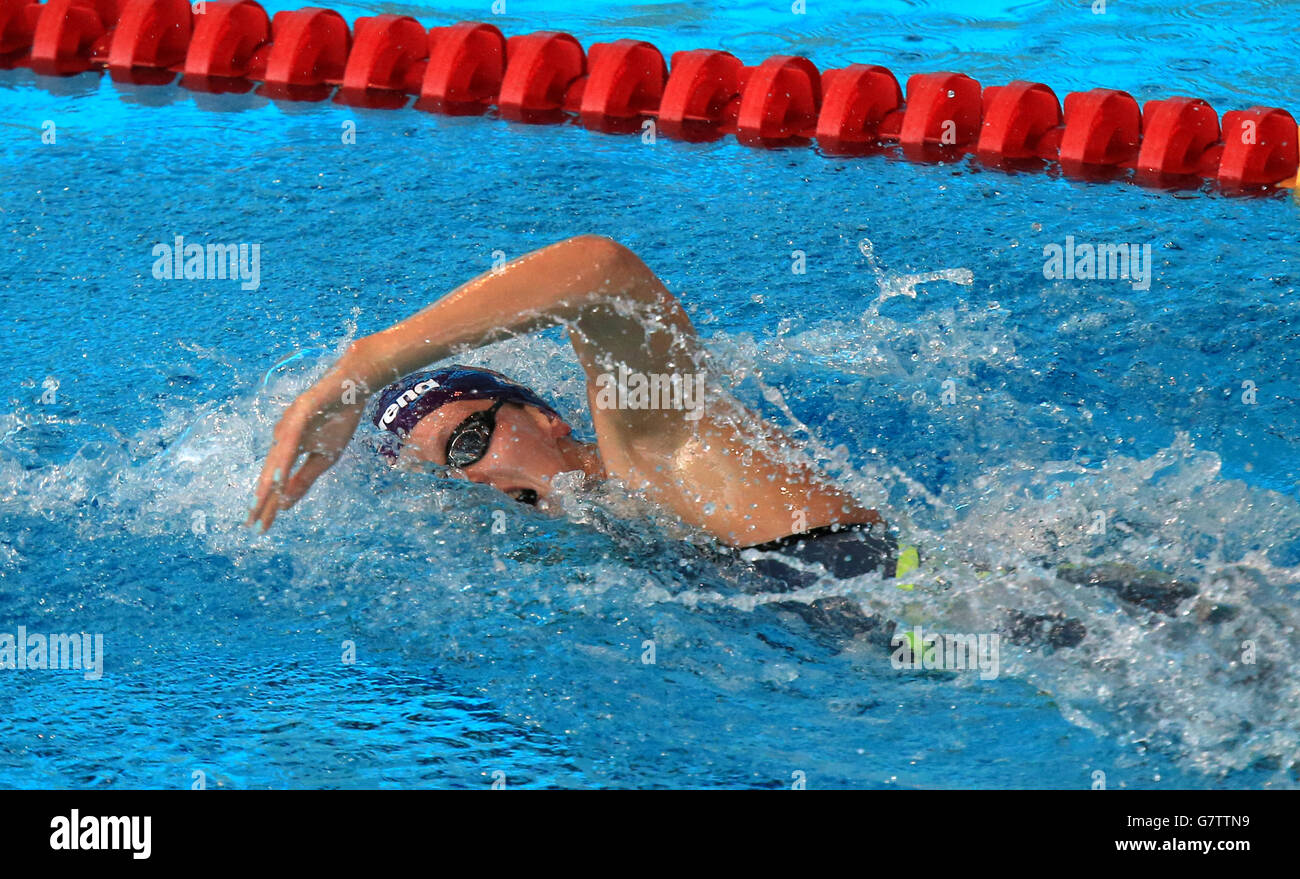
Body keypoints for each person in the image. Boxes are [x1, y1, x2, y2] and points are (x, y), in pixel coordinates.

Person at [245, 234, 902, 591]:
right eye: (440, 479)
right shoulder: (599, 557)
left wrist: (359, 372)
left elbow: (601, 273)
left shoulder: (655, 445)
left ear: (545, 416)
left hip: (955, 623)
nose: (468, 484)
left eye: (466, 445)